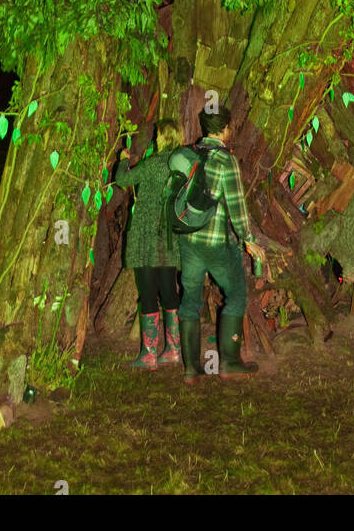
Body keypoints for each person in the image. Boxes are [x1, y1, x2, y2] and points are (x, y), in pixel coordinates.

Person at [177, 106, 266, 385]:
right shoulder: (225, 161)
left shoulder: (189, 153)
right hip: (215, 243)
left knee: (189, 302)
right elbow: (237, 207)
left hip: (188, 240)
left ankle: (191, 368)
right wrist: (248, 241)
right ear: (225, 129)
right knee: (236, 294)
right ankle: (228, 362)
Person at [112, 119, 184, 370]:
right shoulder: (182, 168)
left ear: (162, 138)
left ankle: (149, 354)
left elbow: (122, 180)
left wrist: (123, 158)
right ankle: (174, 349)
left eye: (157, 135)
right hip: (170, 238)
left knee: (148, 293)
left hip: (146, 237)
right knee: (169, 291)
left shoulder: (153, 164)